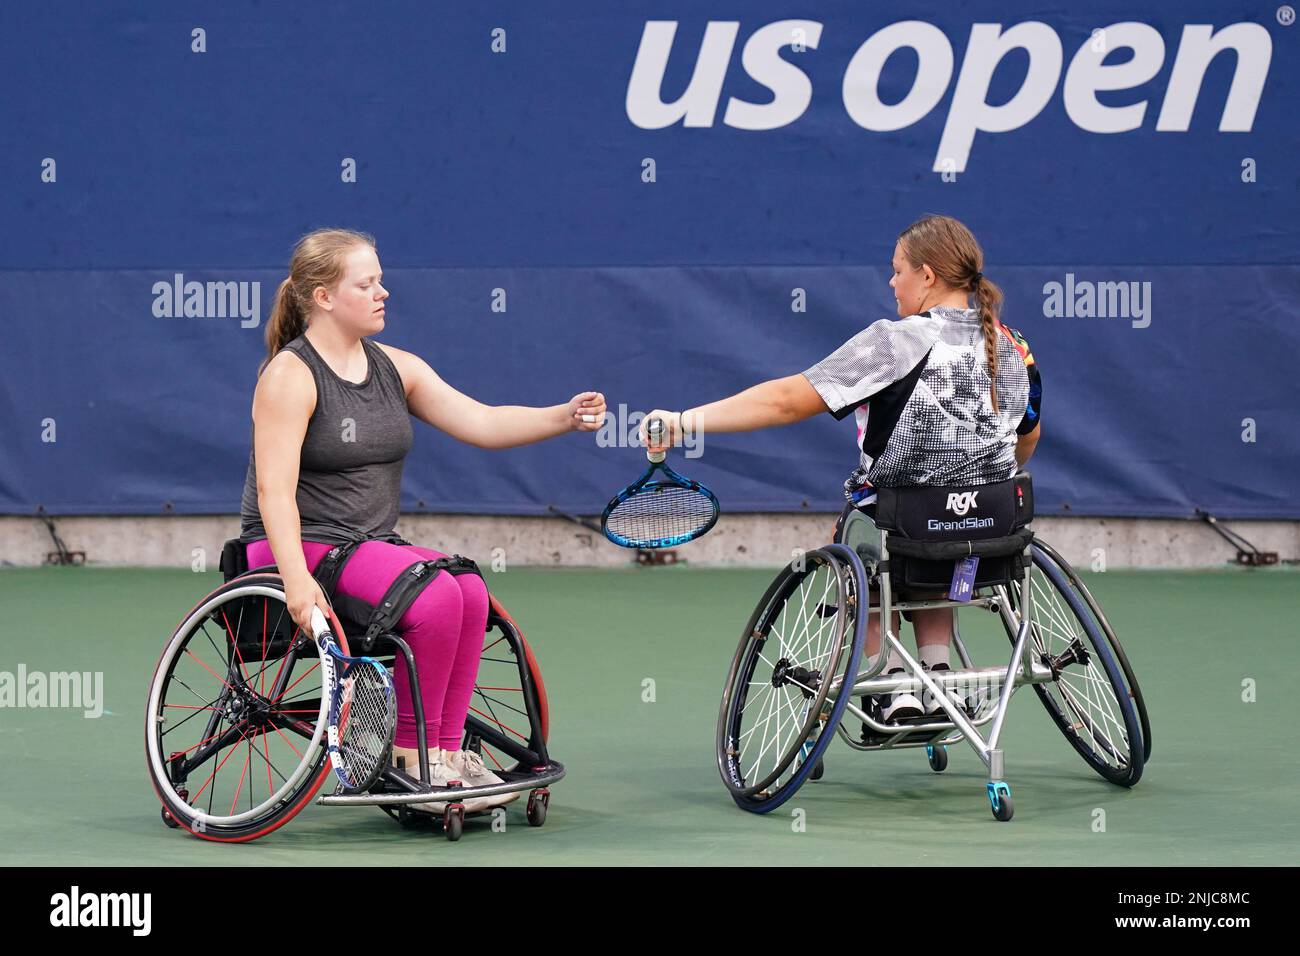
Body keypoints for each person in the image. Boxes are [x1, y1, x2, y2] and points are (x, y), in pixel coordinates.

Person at [239, 228, 606, 811]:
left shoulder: (396, 366)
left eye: (380, 279)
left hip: (366, 546)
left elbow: (483, 423)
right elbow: (274, 492)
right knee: (433, 598)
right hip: (293, 547)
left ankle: (445, 749)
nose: (384, 292)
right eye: (367, 283)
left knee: (468, 588)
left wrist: (561, 417)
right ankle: (412, 761)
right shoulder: (290, 376)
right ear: (324, 297)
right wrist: (296, 582)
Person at [644, 214, 1042, 723]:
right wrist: (976, 488)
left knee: (879, 530)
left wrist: (684, 422)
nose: (891, 282)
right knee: (937, 532)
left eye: (898, 270)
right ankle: (939, 674)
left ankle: (895, 685)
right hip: (995, 528)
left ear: (928, 276)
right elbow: (1025, 438)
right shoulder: (1012, 344)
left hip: (901, 527)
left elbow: (786, 401)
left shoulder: (896, 342)